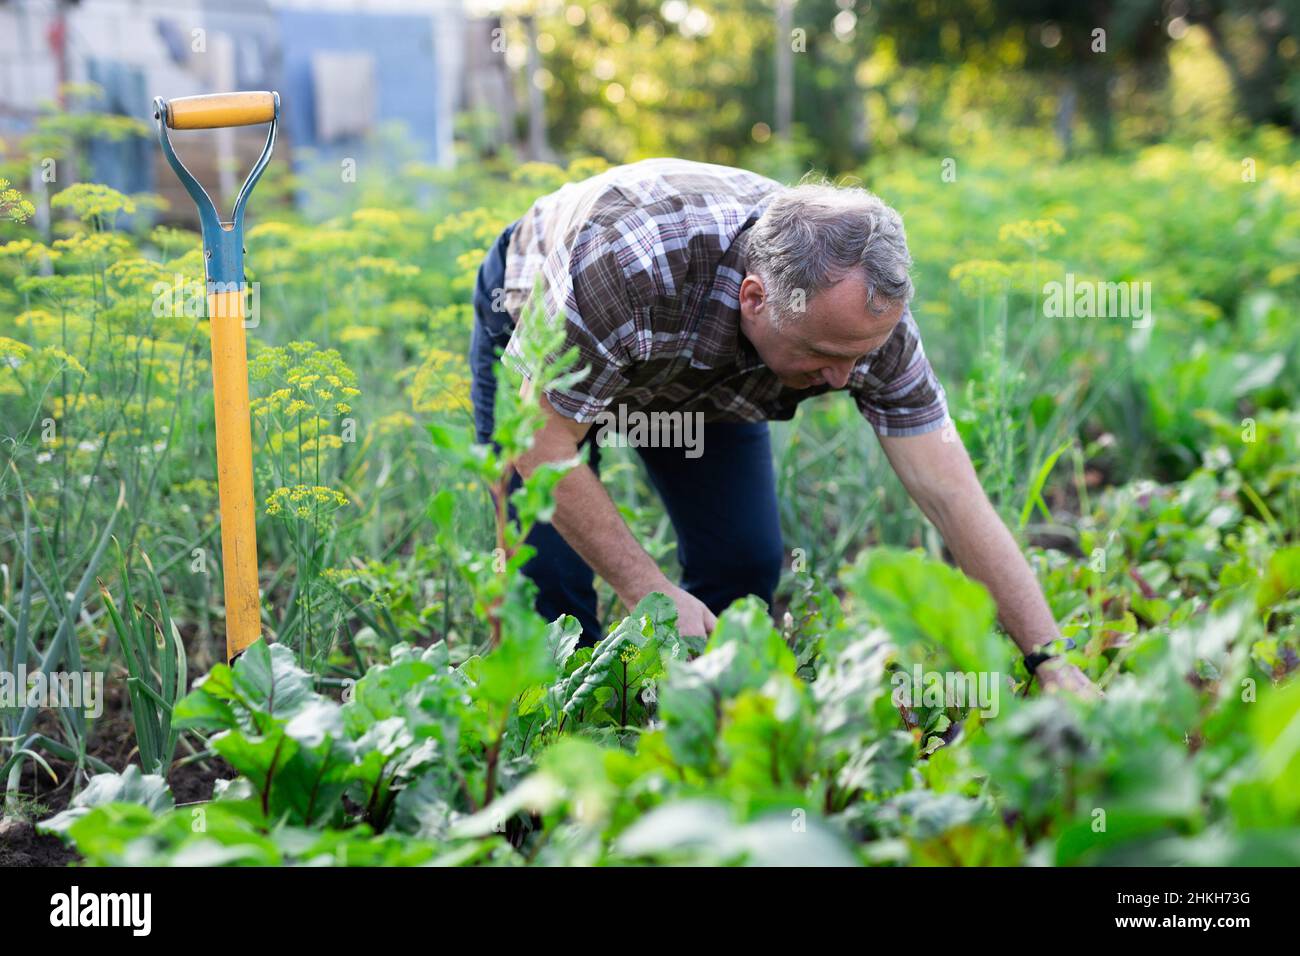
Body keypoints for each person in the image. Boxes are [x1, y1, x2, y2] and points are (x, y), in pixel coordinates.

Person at [468, 157, 1095, 695]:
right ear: (755, 298)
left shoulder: (867, 327)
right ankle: (553, 776)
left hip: (701, 370)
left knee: (743, 567)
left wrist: (1050, 659)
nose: (846, 378)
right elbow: (540, 440)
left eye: (860, 355)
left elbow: (952, 492)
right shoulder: (628, 264)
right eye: (824, 355)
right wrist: (646, 587)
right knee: (546, 591)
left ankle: (700, 734)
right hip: (555, 315)